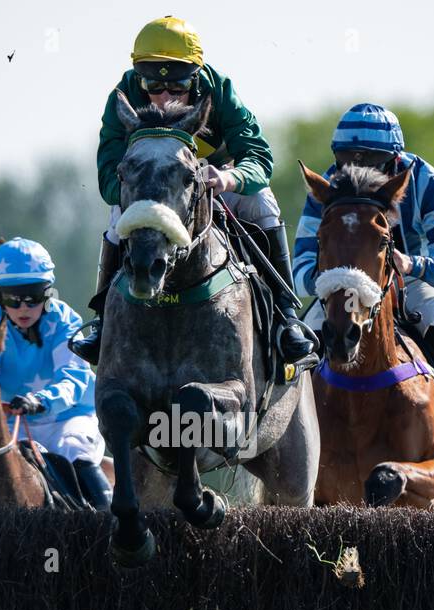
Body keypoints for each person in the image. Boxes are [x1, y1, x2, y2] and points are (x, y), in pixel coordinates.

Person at [69, 15, 317, 367]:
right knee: (116, 217)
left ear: (196, 77)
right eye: (153, 86)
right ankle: (102, 319)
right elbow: (108, 171)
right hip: (152, 188)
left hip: (217, 178)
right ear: (140, 77)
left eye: (177, 85)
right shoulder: (121, 95)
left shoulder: (220, 89)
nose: (164, 95)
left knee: (262, 201)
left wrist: (231, 179)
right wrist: (130, 189)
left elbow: (258, 155)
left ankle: (287, 315)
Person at [293, 103, 434, 476]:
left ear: (393, 160)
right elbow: (302, 264)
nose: (358, 171)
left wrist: (413, 264)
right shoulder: (327, 187)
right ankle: (281, 438)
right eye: (348, 161)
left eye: (370, 161)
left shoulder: (425, 181)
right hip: (346, 284)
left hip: (417, 279)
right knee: (299, 337)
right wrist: (330, 282)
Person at [0, 238, 112, 510]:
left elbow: (73, 377)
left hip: (69, 417)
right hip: (15, 424)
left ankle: (108, 525)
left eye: (33, 297)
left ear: (47, 293)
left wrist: (41, 401)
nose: (23, 308)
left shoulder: (64, 320)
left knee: (74, 448)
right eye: (13, 299)